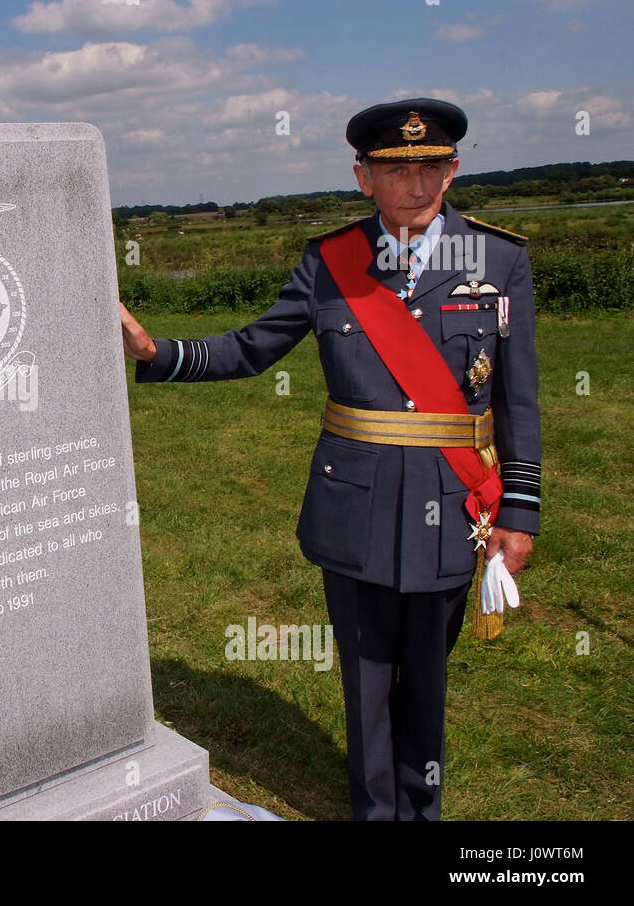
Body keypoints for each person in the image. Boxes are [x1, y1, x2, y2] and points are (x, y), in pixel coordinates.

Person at [120, 98, 541, 820]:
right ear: (363, 178)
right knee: (367, 680)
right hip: (355, 508)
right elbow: (254, 348)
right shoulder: (331, 261)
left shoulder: (500, 260)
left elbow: (519, 398)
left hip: (455, 506)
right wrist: (160, 353)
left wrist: (520, 510)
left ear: (454, 171)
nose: (416, 183)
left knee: (428, 682)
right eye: (396, 169)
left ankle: (421, 809)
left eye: (432, 167)